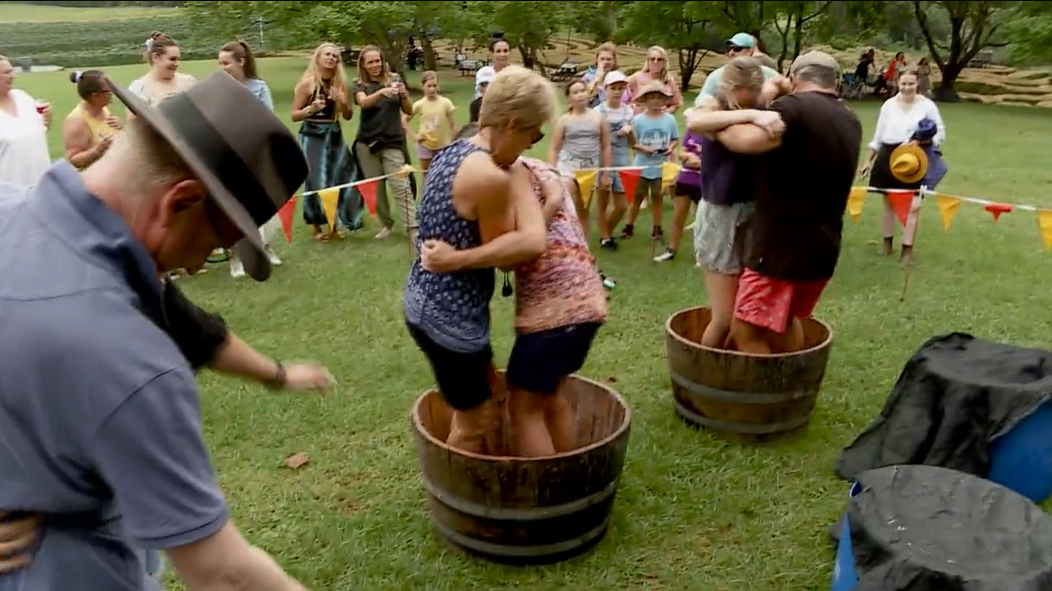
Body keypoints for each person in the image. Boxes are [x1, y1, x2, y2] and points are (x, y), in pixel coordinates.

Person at [0, 71, 314, 590]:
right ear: (181, 201)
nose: (197, 267)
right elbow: (224, 575)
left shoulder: (8, 207)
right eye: (217, 243)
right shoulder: (132, 361)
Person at [421, 124, 608, 457]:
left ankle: (547, 493)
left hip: (554, 310)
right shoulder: (545, 171)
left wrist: (455, 258)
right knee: (551, 396)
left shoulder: (509, 177)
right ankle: (570, 474)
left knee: (524, 411)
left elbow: (519, 246)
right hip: (587, 298)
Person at [403, 65, 559, 455]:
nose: (530, 146)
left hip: (423, 301)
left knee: (486, 392)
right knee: (475, 422)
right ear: (510, 123)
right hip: (450, 322)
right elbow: (515, 251)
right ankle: (465, 496)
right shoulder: (488, 177)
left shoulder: (455, 149)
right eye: (532, 134)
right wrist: (545, 200)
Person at [707, 51, 862, 354]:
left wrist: (712, 124)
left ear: (794, 78)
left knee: (746, 328)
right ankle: (791, 387)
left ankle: (768, 397)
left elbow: (746, 142)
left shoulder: (793, 109)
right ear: (835, 82)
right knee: (785, 320)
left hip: (779, 249)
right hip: (823, 246)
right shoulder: (849, 118)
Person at [858, 69, 945, 263]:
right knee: (889, 204)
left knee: (914, 206)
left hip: (916, 158)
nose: (906, 88)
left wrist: (922, 143)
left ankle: (907, 250)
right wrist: (868, 159)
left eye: (911, 84)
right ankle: (887, 244)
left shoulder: (927, 106)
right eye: (903, 84)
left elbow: (940, 132)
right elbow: (879, 135)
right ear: (898, 83)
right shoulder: (889, 105)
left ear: (918, 84)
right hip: (889, 155)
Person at [219, 40, 285, 275]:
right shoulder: (218, 89)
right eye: (220, 63)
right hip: (228, 155)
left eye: (226, 62)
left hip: (256, 154)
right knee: (231, 206)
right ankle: (235, 257)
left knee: (261, 204)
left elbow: (267, 119)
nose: (223, 67)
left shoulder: (259, 87)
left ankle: (264, 248)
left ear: (241, 62)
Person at [292, 42, 360, 242]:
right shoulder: (307, 84)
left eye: (335, 56)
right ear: (318, 58)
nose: (331, 58)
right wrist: (310, 109)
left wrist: (342, 100)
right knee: (317, 180)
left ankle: (335, 224)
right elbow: (294, 115)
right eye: (327, 55)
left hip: (334, 134)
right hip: (312, 135)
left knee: (343, 176)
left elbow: (347, 115)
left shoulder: (340, 84)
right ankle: (316, 226)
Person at [353, 45, 417, 244]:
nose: (375, 65)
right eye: (370, 62)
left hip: (392, 141)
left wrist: (403, 94)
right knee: (376, 187)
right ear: (363, 64)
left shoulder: (395, 80)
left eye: (378, 60)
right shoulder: (358, 84)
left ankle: (412, 227)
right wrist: (382, 92)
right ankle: (386, 225)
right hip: (367, 143)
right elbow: (363, 103)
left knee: (401, 184)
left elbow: (409, 110)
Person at [620, 82, 679, 242]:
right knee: (637, 197)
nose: (655, 101)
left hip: (660, 166)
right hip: (641, 165)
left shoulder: (670, 119)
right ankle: (629, 226)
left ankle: (657, 228)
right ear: (645, 101)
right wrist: (643, 149)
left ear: (664, 100)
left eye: (659, 98)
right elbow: (632, 143)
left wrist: (670, 148)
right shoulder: (638, 120)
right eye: (651, 98)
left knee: (657, 198)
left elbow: (675, 139)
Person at [0, 53, 52, 187]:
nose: (12, 76)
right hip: (9, 196)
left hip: (40, 188)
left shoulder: (23, 97)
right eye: (6, 73)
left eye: (11, 71)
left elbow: (37, 133)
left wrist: (47, 119)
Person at [695, 33, 781, 107]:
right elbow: (701, 100)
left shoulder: (768, 73)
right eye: (729, 49)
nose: (731, 53)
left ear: (749, 51)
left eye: (737, 49)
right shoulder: (716, 75)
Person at [63, 70, 122, 171]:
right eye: (108, 91)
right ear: (95, 96)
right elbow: (72, 160)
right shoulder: (77, 121)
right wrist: (97, 151)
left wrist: (122, 126)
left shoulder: (102, 108)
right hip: (98, 181)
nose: (112, 93)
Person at [404, 70, 456, 175]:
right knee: (426, 174)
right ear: (422, 87)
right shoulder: (419, 104)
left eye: (434, 86)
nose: (432, 89)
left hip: (441, 146)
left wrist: (452, 142)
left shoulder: (445, 103)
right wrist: (414, 136)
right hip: (425, 145)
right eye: (429, 86)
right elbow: (404, 120)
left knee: (441, 174)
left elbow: (453, 125)